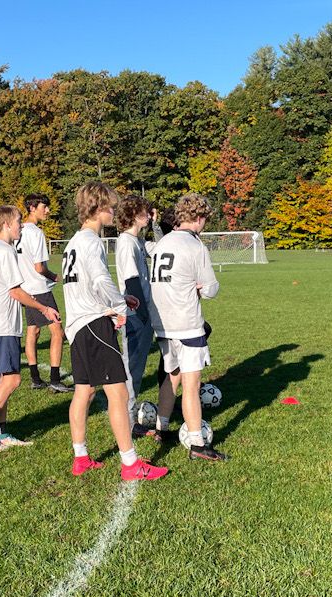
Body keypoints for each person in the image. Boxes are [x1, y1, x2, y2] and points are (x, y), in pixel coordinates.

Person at [62, 182, 169, 481]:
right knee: (119, 394)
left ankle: (80, 456)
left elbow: (80, 286)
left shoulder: (72, 242)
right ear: (97, 208)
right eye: (109, 206)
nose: (113, 211)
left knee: (83, 391)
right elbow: (99, 281)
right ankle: (131, 463)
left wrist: (116, 303)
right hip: (95, 325)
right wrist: (119, 307)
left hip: (78, 325)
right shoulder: (92, 242)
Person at [0, 205, 63, 451]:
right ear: (6, 225)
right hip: (1, 325)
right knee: (12, 380)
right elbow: (15, 291)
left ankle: (2, 433)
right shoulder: (4, 251)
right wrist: (44, 308)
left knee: (3, 380)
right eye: (18, 222)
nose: (21, 226)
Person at [149, 193, 226, 461]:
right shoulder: (195, 246)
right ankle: (197, 443)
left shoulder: (161, 243)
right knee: (191, 385)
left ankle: (161, 427)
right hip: (186, 322)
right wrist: (201, 288)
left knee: (172, 375)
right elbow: (211, 289)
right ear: (199, 217)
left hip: (162, 322)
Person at [15, 194, 72, 393]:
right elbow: (39, 267)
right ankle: (55, 379)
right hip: (39, 288)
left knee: (33, 330)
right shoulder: (36, 232)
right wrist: (54, 276)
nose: (47, 210)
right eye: (44, 207)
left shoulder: (18, 229)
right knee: (57, 331)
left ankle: (35, 378)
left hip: (25, 288)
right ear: (32, 208)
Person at [114, 195, 157, 437]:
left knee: (137, 370)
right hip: (134, 315)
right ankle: (128, 424)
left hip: (143, 313)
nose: (149, 216)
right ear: (133, 215)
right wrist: (141, 314)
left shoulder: (138, 241)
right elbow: (131, 281)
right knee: (131, 369)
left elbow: (163, 247)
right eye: (145, 212)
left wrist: (157, 225)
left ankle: (130, 421)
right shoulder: (126, 242)